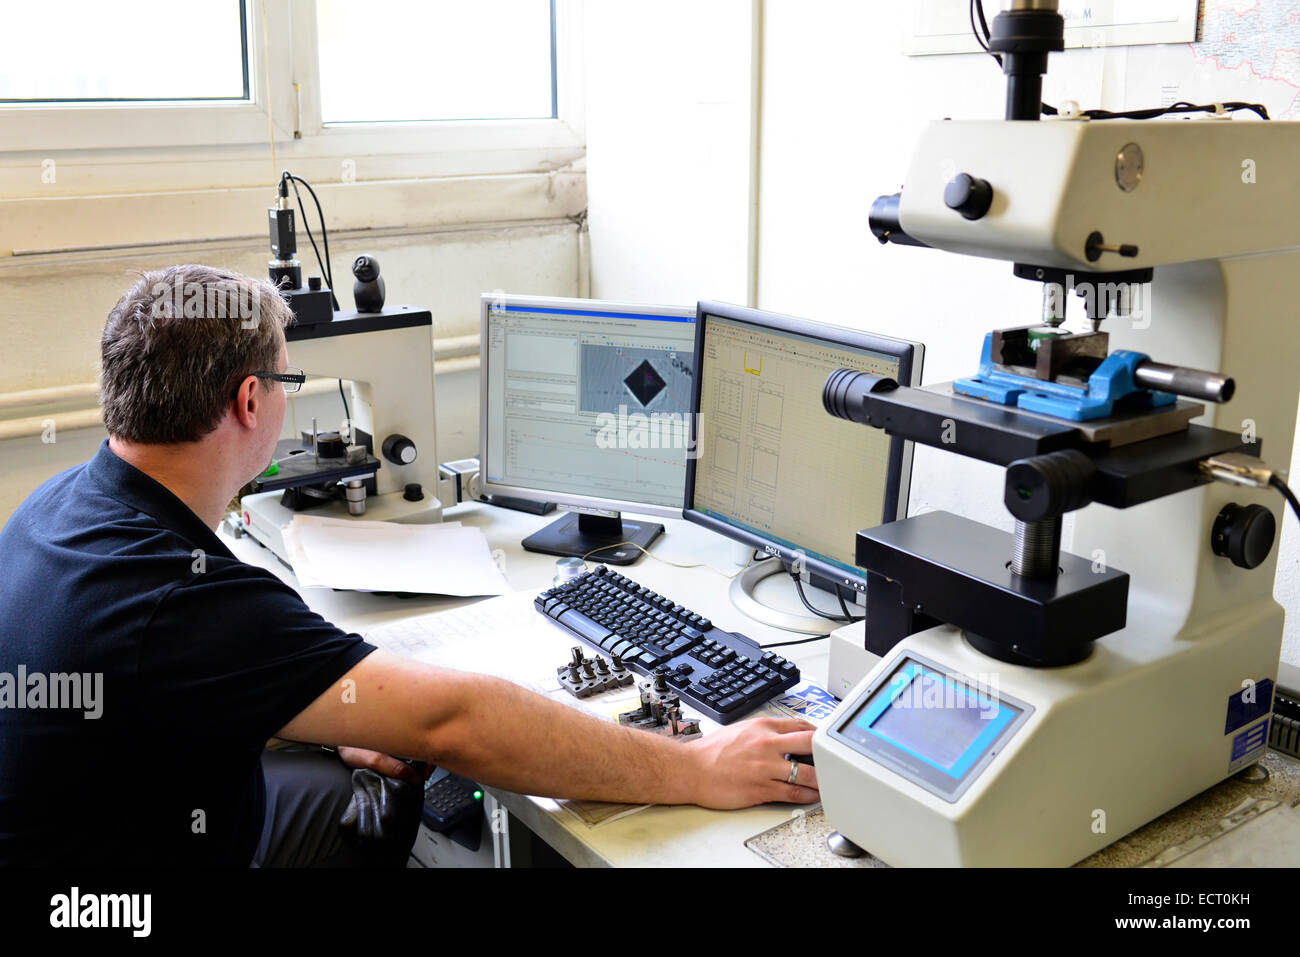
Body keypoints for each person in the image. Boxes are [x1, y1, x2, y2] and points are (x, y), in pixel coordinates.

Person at [0, 265, 819, 867]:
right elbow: (450, 721)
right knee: (408, 791)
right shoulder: (186, 592)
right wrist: (695, 763)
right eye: (288, 379)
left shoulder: (60, 505)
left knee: (357, 777)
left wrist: (311, 709)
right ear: (251, 401)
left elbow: (155, 684)